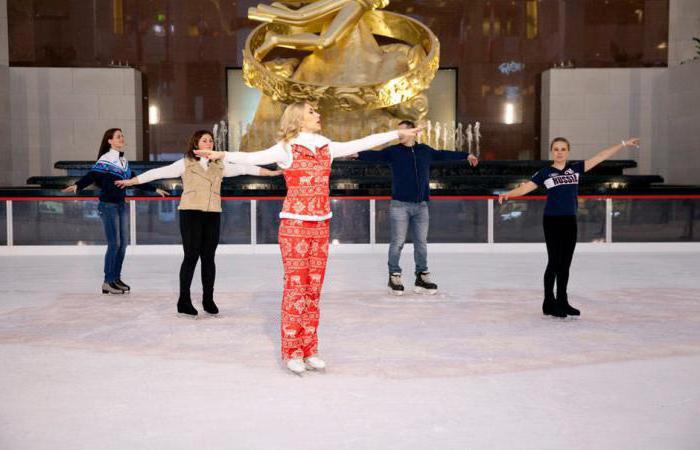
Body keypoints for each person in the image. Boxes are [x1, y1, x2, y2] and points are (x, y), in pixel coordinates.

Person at [195, 102, 421, 374]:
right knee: (296, 289)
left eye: (317, 110)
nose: (319, 114)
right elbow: (251, 157)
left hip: (321, 225)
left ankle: (310, 349)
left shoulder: (325, 144)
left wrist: (397, 135)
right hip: (294, 225)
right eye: (313, 112)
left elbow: (361, 142)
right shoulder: (286, 147)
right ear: (298, 118)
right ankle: (292, 350)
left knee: (313, 291)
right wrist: (221, 154)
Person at [115, 130, 281, 317]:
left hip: (212, 213)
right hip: (191, 213)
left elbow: (244, 168)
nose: (209, 143)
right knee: (191, 256)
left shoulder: (220, 165)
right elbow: (158, 172)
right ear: (196, 143)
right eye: (204, 140)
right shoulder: (185, 162)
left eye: (211, 140)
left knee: (208, 258)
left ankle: (208, 299)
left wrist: (270, 173)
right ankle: (183, 301)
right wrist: (131, 182)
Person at [498, 137, 640, 318]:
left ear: (567, 151)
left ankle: (562, 301)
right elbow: (526, 188)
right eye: (556, 149)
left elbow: (600, 157)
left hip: (570, 220)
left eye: (563, 149)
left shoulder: (575, 169)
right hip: (552, 221)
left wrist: (623, 144)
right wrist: (508, 194)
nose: (559, 152)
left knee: (565, 264)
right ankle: (548, 302)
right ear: (552, 151)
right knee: (554, 262)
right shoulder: (545, 172)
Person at [357, 120, 478, 295]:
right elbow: (374, 155)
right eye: (398, 132)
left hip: (421, 206)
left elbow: (443, 154)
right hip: (400, 205)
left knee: (421, 243)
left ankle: (422, 276)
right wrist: (356, 153)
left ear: (413, 132)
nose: (399, 135)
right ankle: (394, 276)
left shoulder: (425, 151)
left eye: (402, 131)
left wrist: (466, 155)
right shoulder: (393, 152)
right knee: (397, 243)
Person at [62, 128, 168, 294]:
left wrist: (154, 189)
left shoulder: (123, 162)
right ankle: (107, 281)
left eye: (122, 136)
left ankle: (115, 278)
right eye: (118, 137)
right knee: (114, 244)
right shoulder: (105, 160)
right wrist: (78, 185)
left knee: (123, 244)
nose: (121, 138)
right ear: (109, 141)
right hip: (108, 206)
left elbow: (134, 180)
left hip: (120, 205)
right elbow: (92, 176)